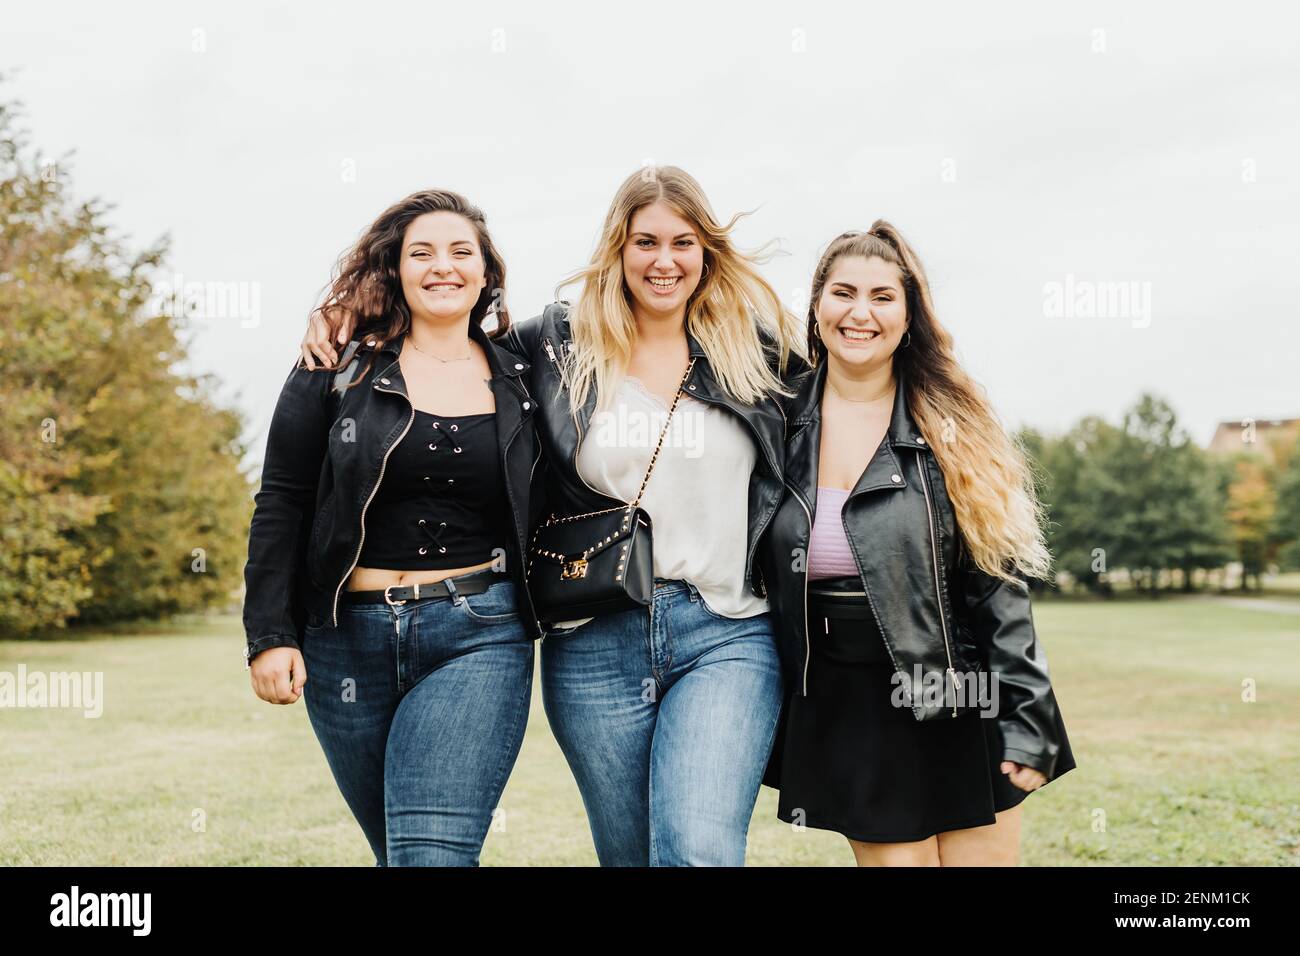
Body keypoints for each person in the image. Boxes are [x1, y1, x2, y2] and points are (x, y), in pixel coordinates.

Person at [302, 165, 807, 866]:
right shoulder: (554, 345)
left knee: (695, 847)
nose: (663, 261)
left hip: (724, 629)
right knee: (629, 854)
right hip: (594, 637)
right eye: (645, 242)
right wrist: (352, 315)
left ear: (706, 251)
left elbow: (850, 396)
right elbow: (447, 336)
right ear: (618, 249)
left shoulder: (757, 354)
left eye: (682, 243)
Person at [760, 222, 1076, 866]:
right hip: (849, 705)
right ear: (816, 305)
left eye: (882, 297)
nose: (860, 313)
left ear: (908, 318)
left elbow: (997, 584)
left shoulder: (952, 423)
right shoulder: (772, 420)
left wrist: (1027, 714)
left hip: (957, 694)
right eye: (843, 293)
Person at [245, 189, 544, 866]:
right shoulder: (336, 366)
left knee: (430, 855)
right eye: (422, 253)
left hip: (478, 635)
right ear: (397, 270)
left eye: (461, 251)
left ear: (487, 272)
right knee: (399, 854)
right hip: (343, 643)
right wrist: (269, 634)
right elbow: (282, 501)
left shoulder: (524, 375)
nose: (443, 266)